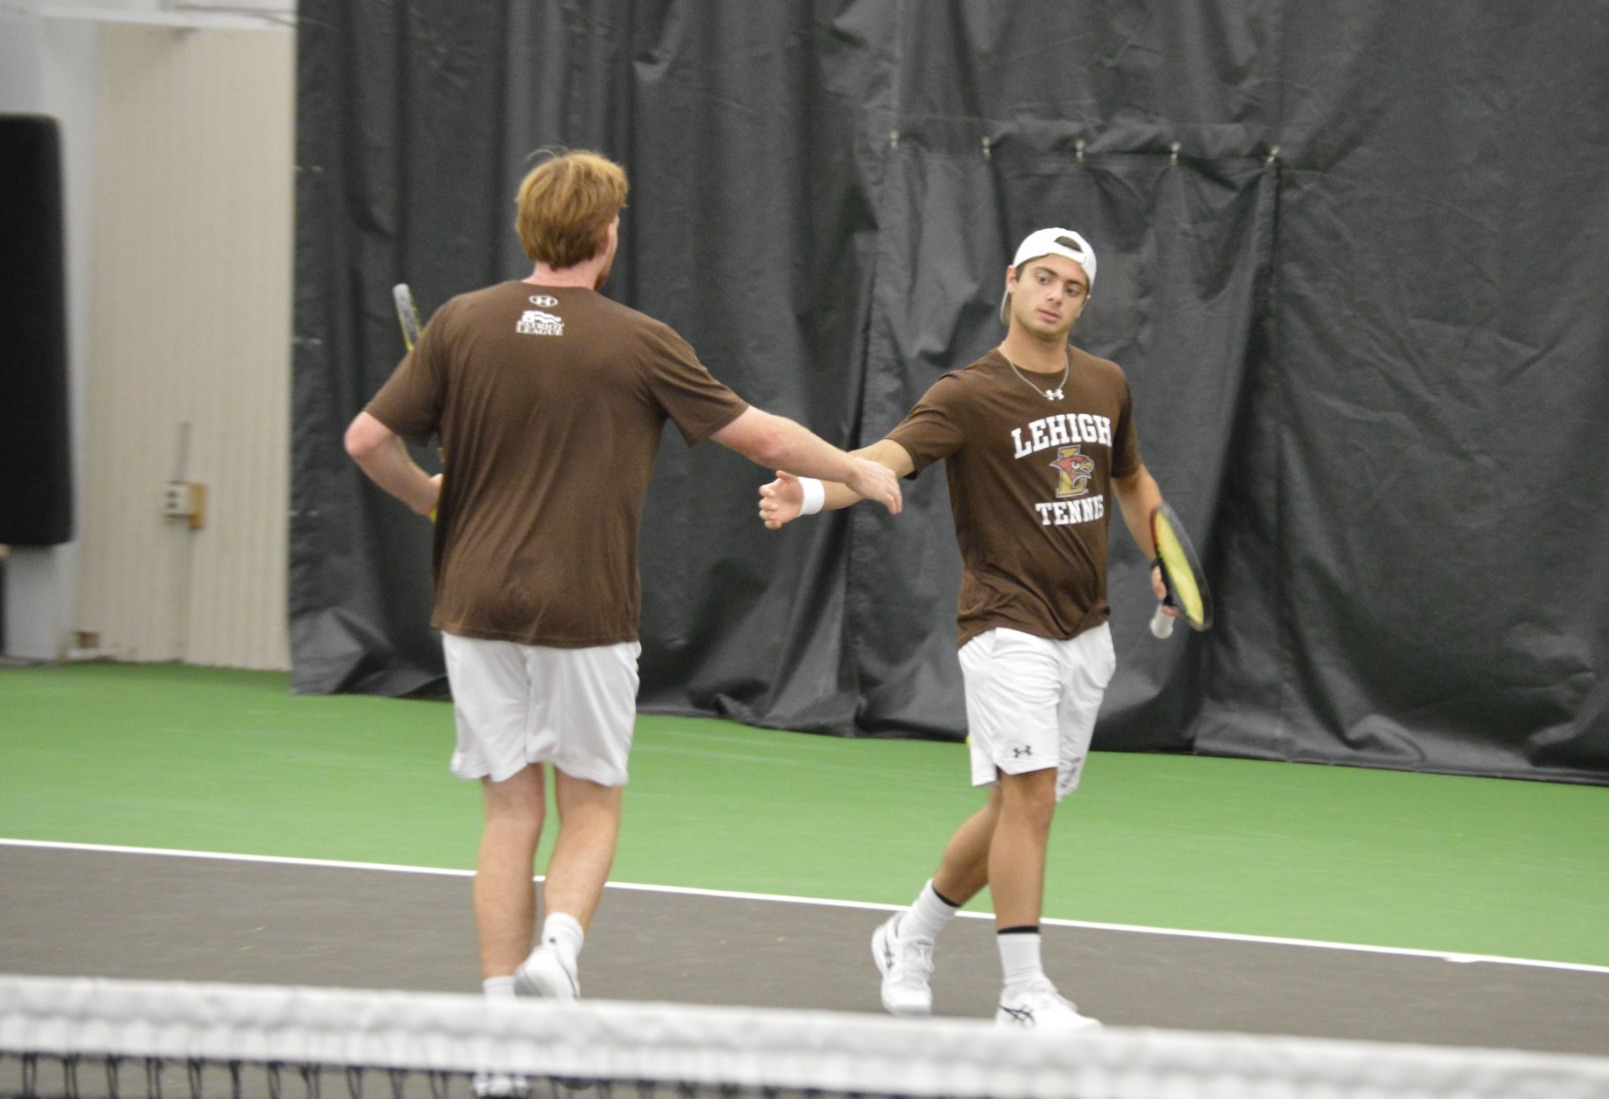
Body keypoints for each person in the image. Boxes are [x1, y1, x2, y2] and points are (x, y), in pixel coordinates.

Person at [345, 150, 902, 1030]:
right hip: (585, 608)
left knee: (508, 813)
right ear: (606, 237)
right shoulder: (639, 340)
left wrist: (430, 496)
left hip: (474, 601)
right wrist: (855, 470)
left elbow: (366, 440)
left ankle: (500, 1031)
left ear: (533, 230)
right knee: (592, 801)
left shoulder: (459, 324)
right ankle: (558, 950)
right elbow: (762, 439)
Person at [759, 228, 1172, 1032]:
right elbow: (886, 457)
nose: (1054, 295)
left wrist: (1161, 550)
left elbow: (1129, 479)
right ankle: (1022, 991)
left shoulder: (1106, 383)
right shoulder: (968, 393)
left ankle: (909, 933)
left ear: (1084, 301)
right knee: (1028, 798)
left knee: (1022, 807)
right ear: (1011, 282)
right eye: (1042, 279)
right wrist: (812, 492)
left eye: (1072, 287)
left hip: (1084, 630)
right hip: (1002, 620)